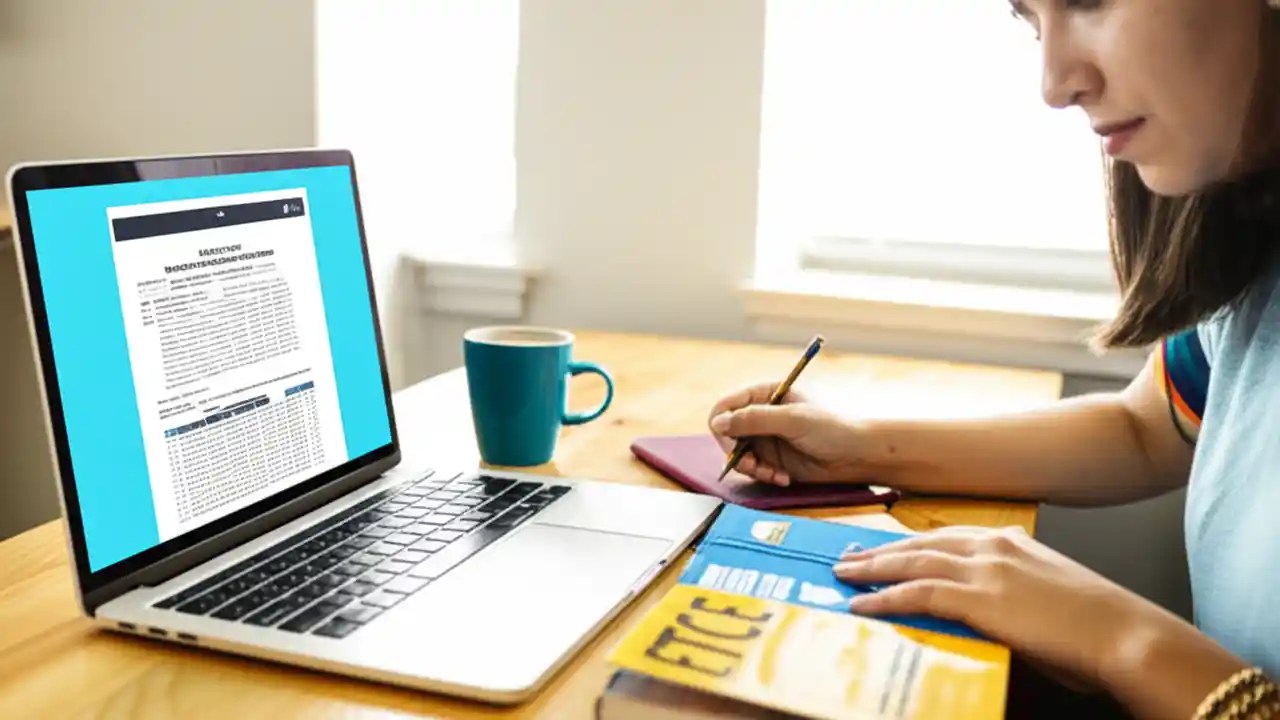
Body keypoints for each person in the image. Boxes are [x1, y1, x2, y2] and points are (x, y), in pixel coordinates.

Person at [708, 1, 1280, 718]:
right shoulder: (1253, 234)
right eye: (1032, 24)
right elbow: (1151, 426)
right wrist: (860, 447)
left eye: (1089, 2)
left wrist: (1120, 639)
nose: (1055, 83)